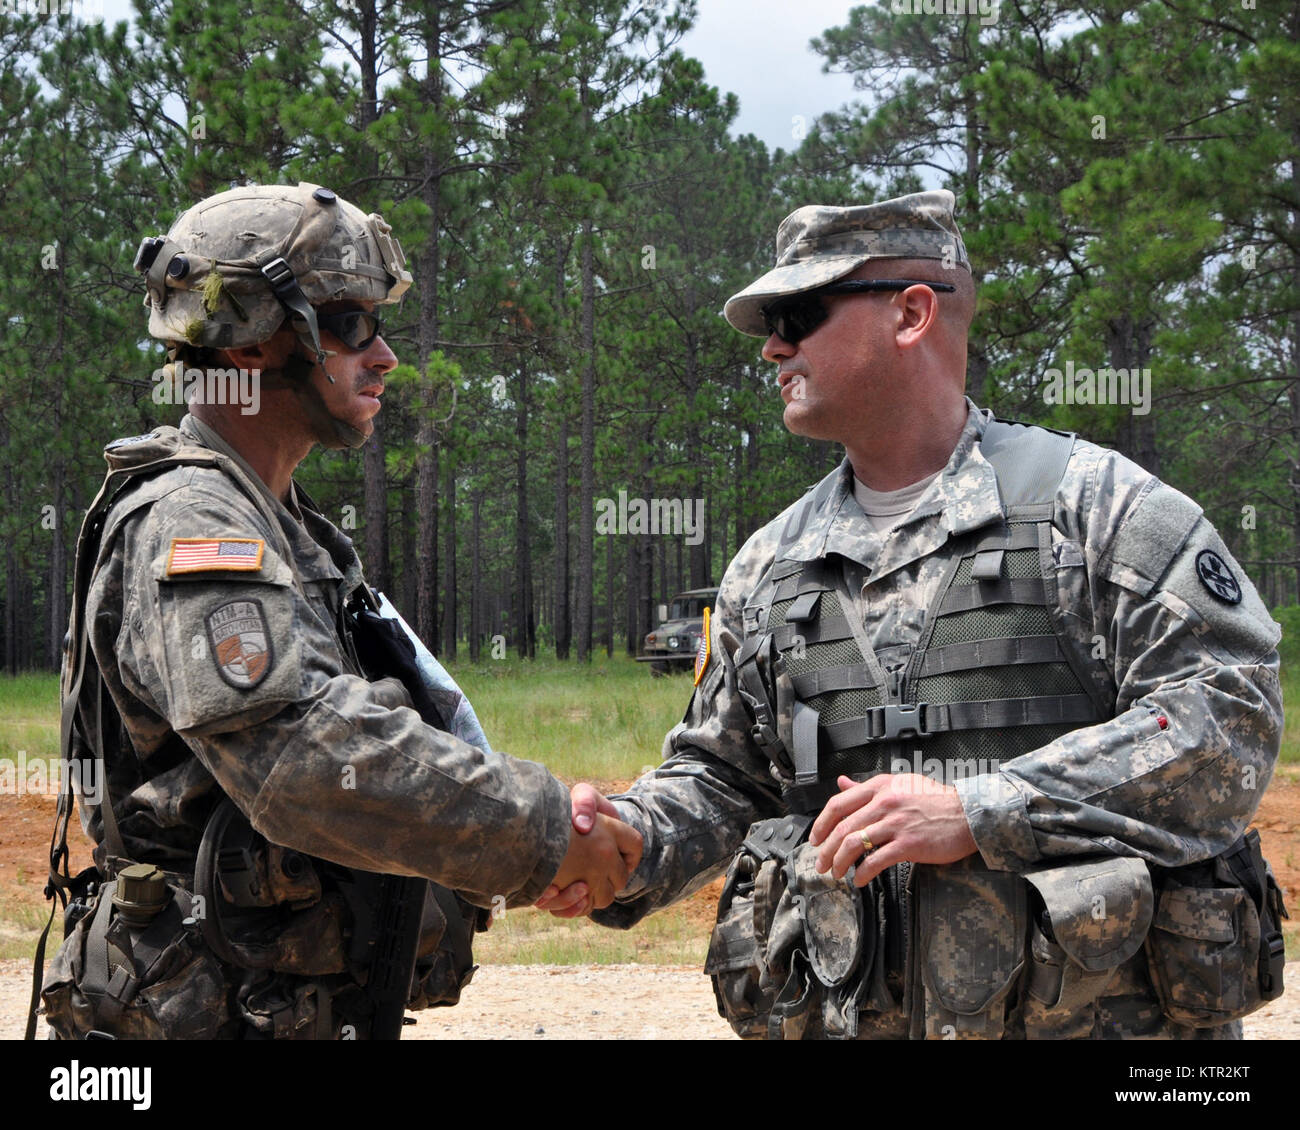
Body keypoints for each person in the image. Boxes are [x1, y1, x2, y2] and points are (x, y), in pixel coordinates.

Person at [538, 189, 1287, 1040]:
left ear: (911, 312)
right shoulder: (772, 566)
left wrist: (983, 810)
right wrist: (625, 841)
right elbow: (725, 776)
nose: (774, 346)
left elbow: (1227, 719)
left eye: (799, 312)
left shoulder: (1101, 513)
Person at [35, 182, 639, 1040]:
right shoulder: (191, 523)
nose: (385, 354)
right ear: (248, 343)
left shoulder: (288, 527)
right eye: (352, 322)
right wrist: (543, 829)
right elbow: (302, 760)